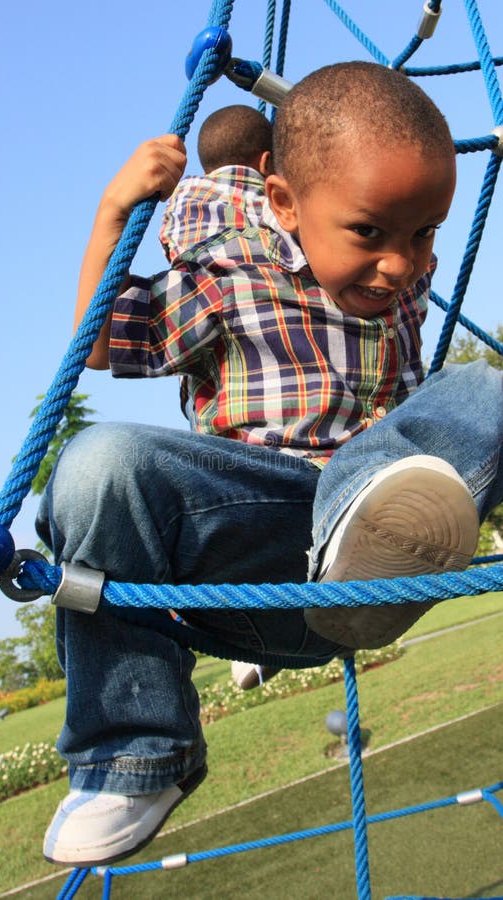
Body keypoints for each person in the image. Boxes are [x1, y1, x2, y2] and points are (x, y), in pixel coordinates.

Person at [37, 61, 503, 867]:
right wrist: (115, 212)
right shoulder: (225, 279)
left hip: (372, 552)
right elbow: (104, 343)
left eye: (423, 233)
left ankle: (366, 532)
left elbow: (364, 156)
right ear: (283, 204)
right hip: (256, 543)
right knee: (98, 461)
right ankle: (136, 754)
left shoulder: (400, 286)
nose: (401, 263)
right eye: (369, 234)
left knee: (481, 390)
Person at [161, 104, 278, 691]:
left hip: (218, 402)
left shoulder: (182, 215)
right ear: (267, 165)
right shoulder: (282, 209)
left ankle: (242, 628)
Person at [159, 103, 272, 263]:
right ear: (266, 163)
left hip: (195, 283)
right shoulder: (275, 206)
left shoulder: (184, 196)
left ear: (207, 173)